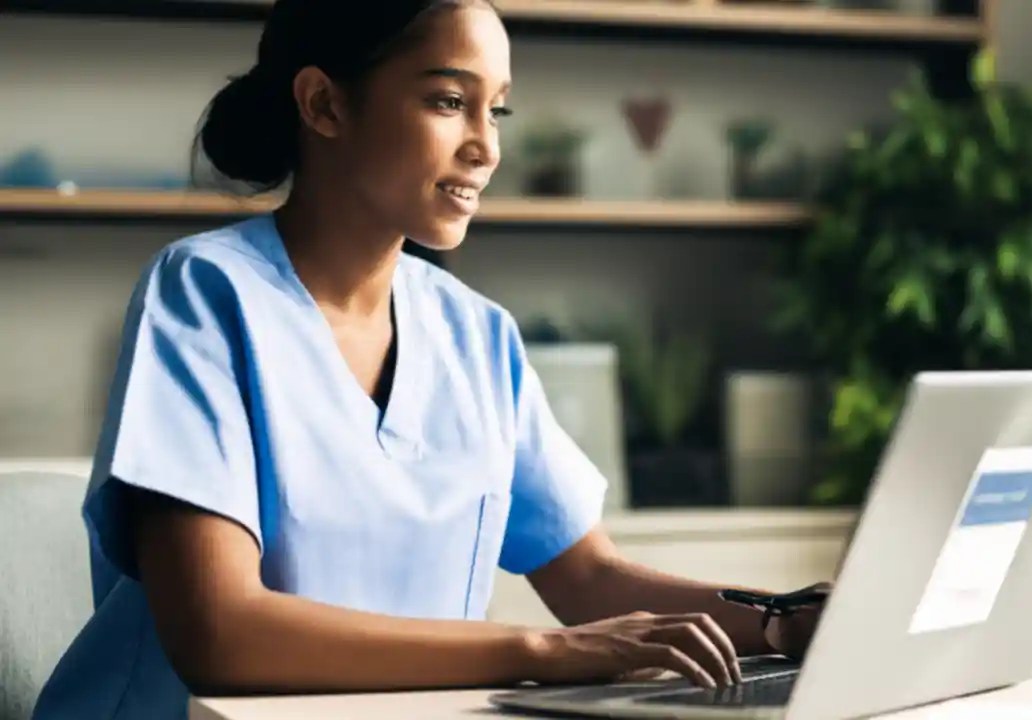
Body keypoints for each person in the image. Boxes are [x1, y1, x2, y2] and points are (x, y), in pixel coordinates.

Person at [32, 2, 826, 718]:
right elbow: (220, 634)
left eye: (498, 109)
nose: (487, 146)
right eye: (450, 102)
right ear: (324, 104)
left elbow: (590, 581)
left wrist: (785, 623)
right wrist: (537, 653)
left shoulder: (476, 335)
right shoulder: (206, 293)